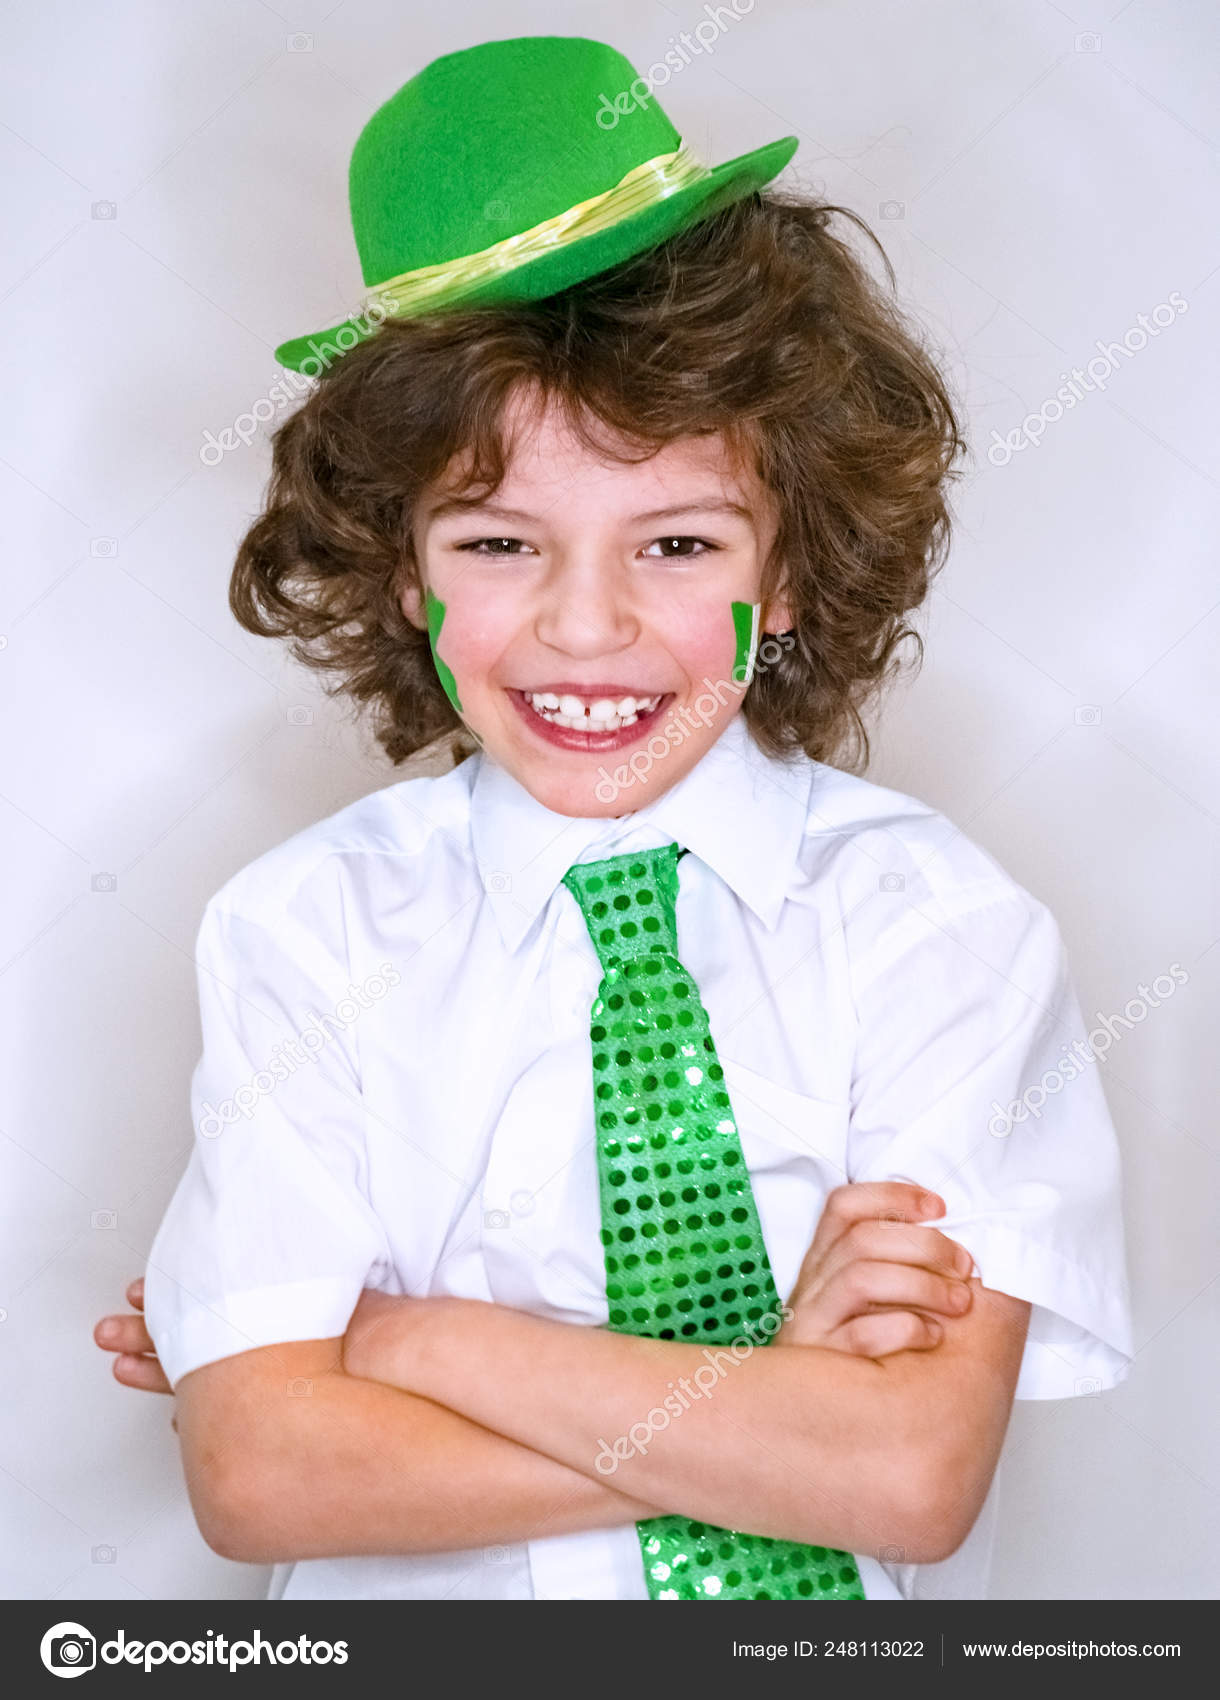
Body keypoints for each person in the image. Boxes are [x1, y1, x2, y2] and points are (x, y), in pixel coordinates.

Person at [93, 35, 1133, 1601]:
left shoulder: (943, 931)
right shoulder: (305, 931)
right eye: (500, 543)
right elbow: (258, 1477)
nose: (586, 630)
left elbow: (906, 1479)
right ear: (405, 572)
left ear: (789, 570)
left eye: (679, 544)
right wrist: (771, 1401)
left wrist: (408, 1342)